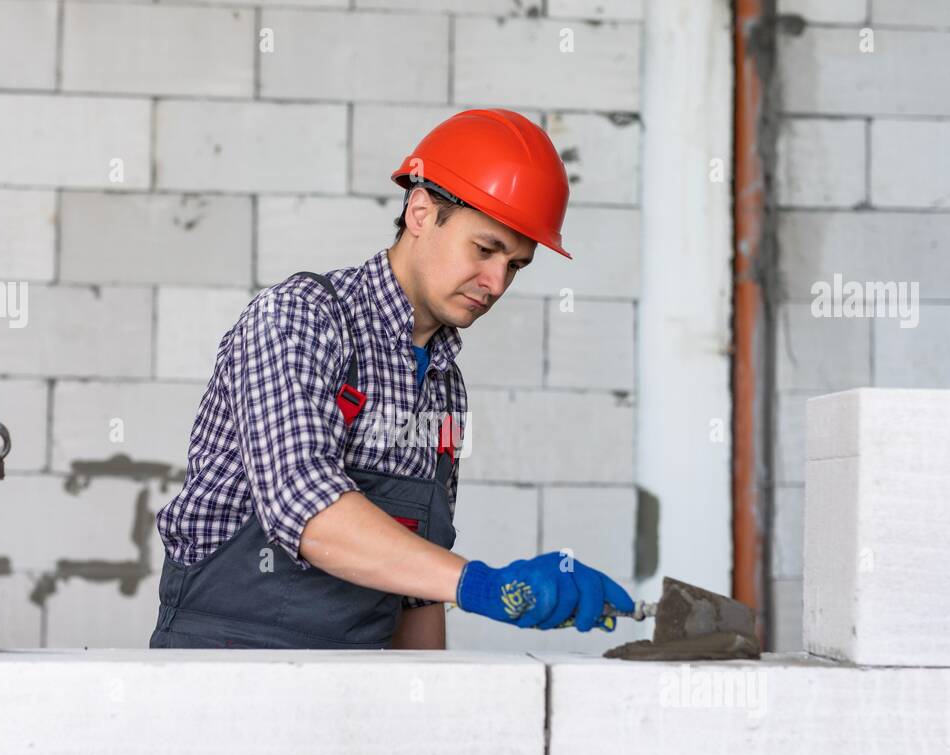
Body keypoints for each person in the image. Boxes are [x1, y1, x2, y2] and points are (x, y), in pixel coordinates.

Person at [150, 108, 634, 651]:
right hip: (223, 667)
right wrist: (484, 585)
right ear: (422, 211)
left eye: (516, 266)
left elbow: (417, 592)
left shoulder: (445, 388)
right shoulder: (300, 319)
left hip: (357, 683)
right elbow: (305, 507)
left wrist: (428, 708)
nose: (496, 282)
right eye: (485, 249)